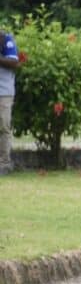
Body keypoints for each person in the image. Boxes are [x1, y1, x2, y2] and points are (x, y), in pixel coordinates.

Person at [0, 28, 22, 176]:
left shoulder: (6, 39)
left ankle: (4, 163)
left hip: (4, 92)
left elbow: (14, 62)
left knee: (3, 126)